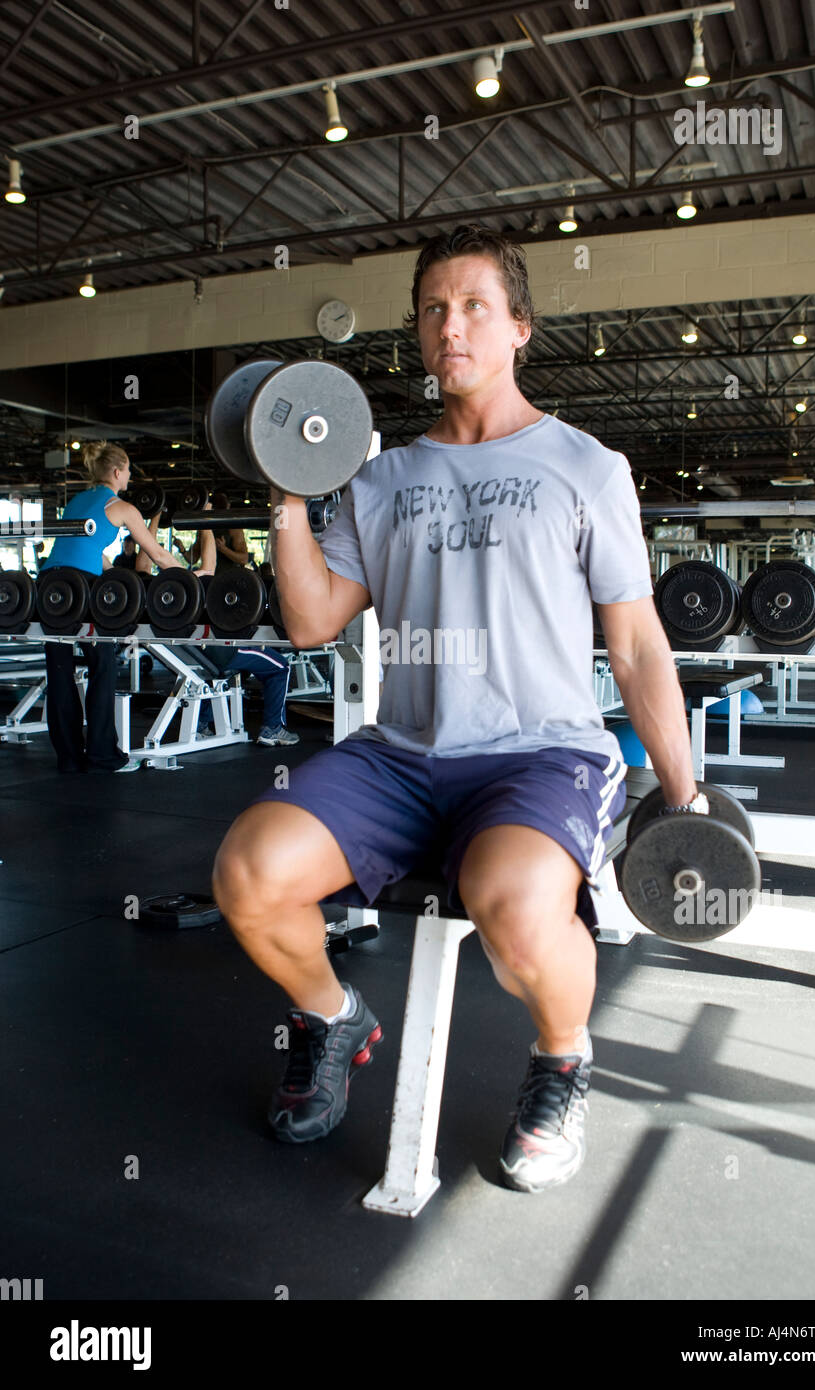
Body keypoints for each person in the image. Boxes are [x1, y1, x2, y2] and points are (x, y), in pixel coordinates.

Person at [212, 225, 705, 1194]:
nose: (451, 326)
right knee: (248, 872)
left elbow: (638, 643)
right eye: (434, 309)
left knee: (519, 912)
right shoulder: (380, 478)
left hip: (539, 755)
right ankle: (328, 1013)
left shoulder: (585, 466)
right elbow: (312, 621)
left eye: (474, 305)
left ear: (518, 326)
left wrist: (683, 800)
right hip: (401, 757)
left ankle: (562, 1057)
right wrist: (286, 492)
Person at [40, 443, 185, 773]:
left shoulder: (77, 500)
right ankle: (103, 755)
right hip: (80, 588)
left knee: (59, 672)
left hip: (50, 585)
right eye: (129, 470)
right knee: (102, 664)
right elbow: (159, 557)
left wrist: (118, 577)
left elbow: (86, 551)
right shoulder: (120, 507)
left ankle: (69, 758)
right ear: (117, 472)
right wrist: (191, 583)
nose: (131, 476)